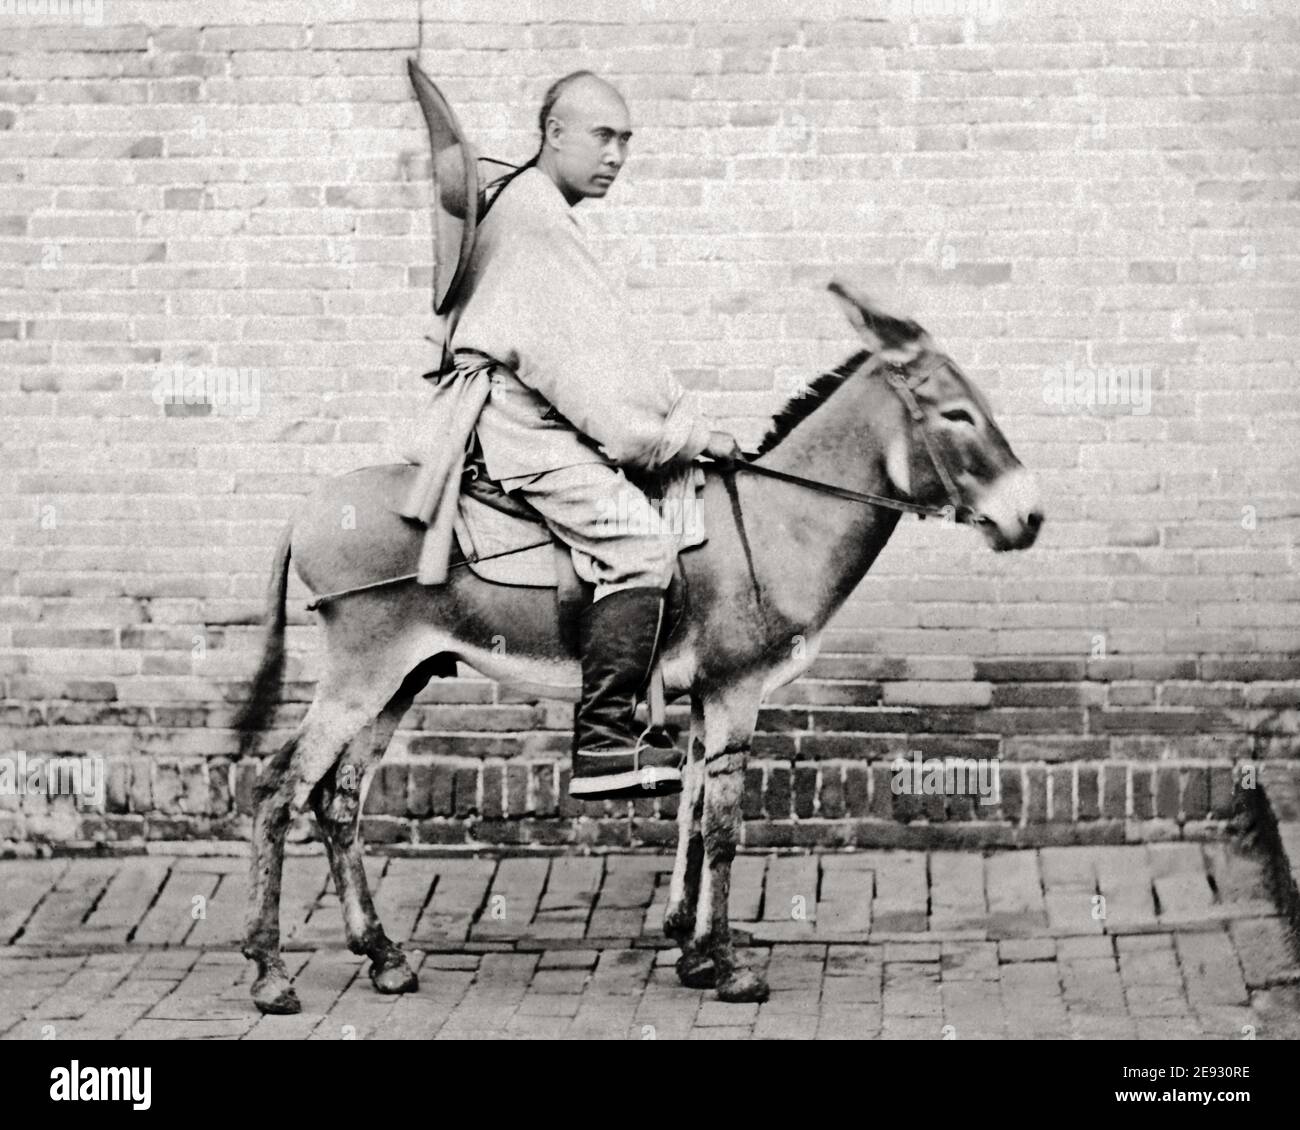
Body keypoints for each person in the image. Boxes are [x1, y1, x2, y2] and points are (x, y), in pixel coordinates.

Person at [444, 71, 742, 801]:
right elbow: (588, 372)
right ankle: (607, 735)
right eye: (602, 136)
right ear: (553, 135)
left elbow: (610, 345)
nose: (616, 155)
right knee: (640, 542)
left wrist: (684, 423)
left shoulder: (534, 204)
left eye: (627, 141)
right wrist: (685, 436)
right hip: (524, 429)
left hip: (529, 414)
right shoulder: (538, 219)